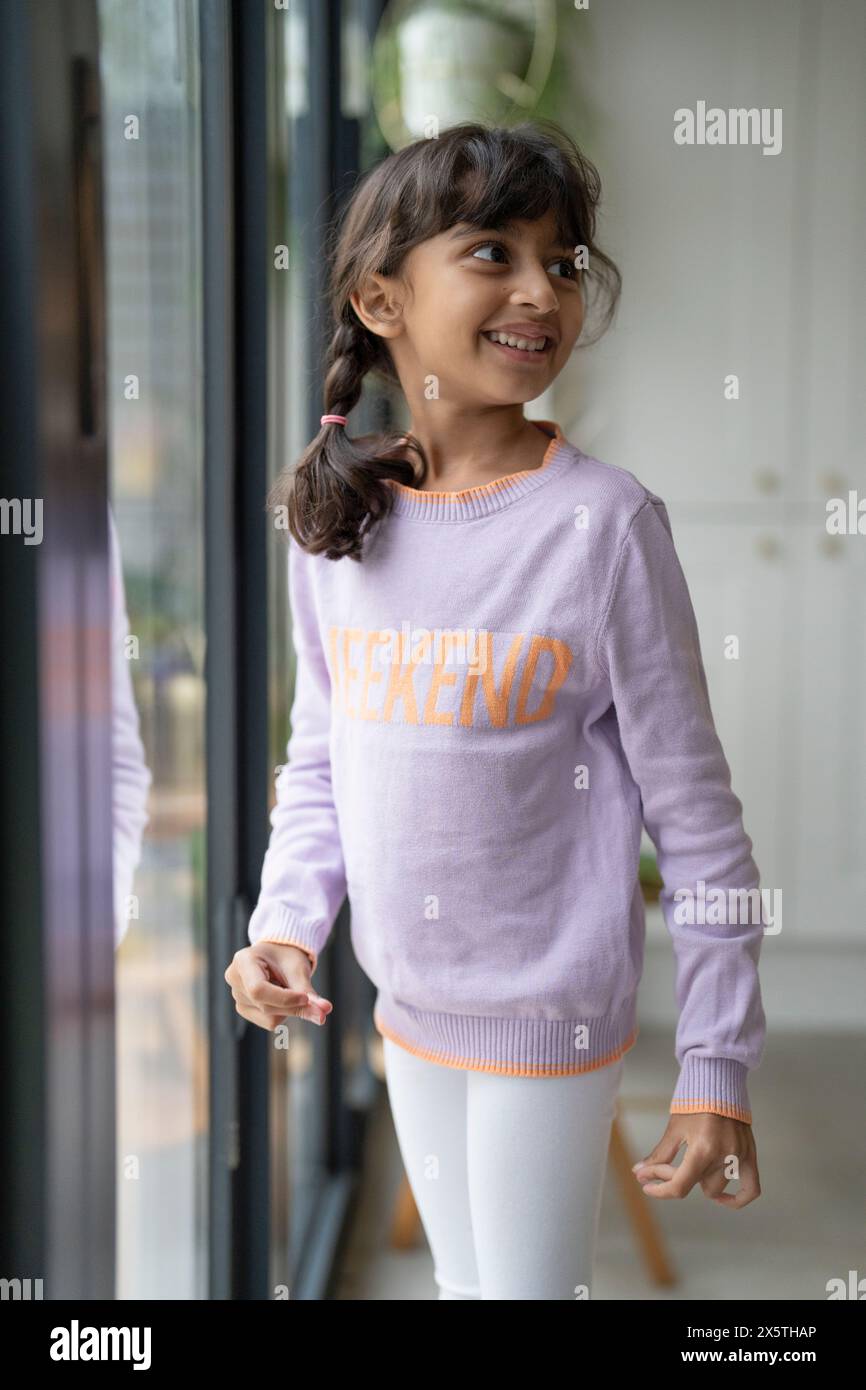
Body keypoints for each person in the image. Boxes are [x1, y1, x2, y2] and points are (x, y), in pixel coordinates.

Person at [224, 120, 765, 1300]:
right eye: (492, 253)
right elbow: (320, 763)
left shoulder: (604, 527)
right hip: (409, 1010)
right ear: (380, 299)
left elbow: (697, 820)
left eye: (561, 262)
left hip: (551, 1023)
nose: (540, 291)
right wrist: (284, 927)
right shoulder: (337, 523)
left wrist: (712, 1063)